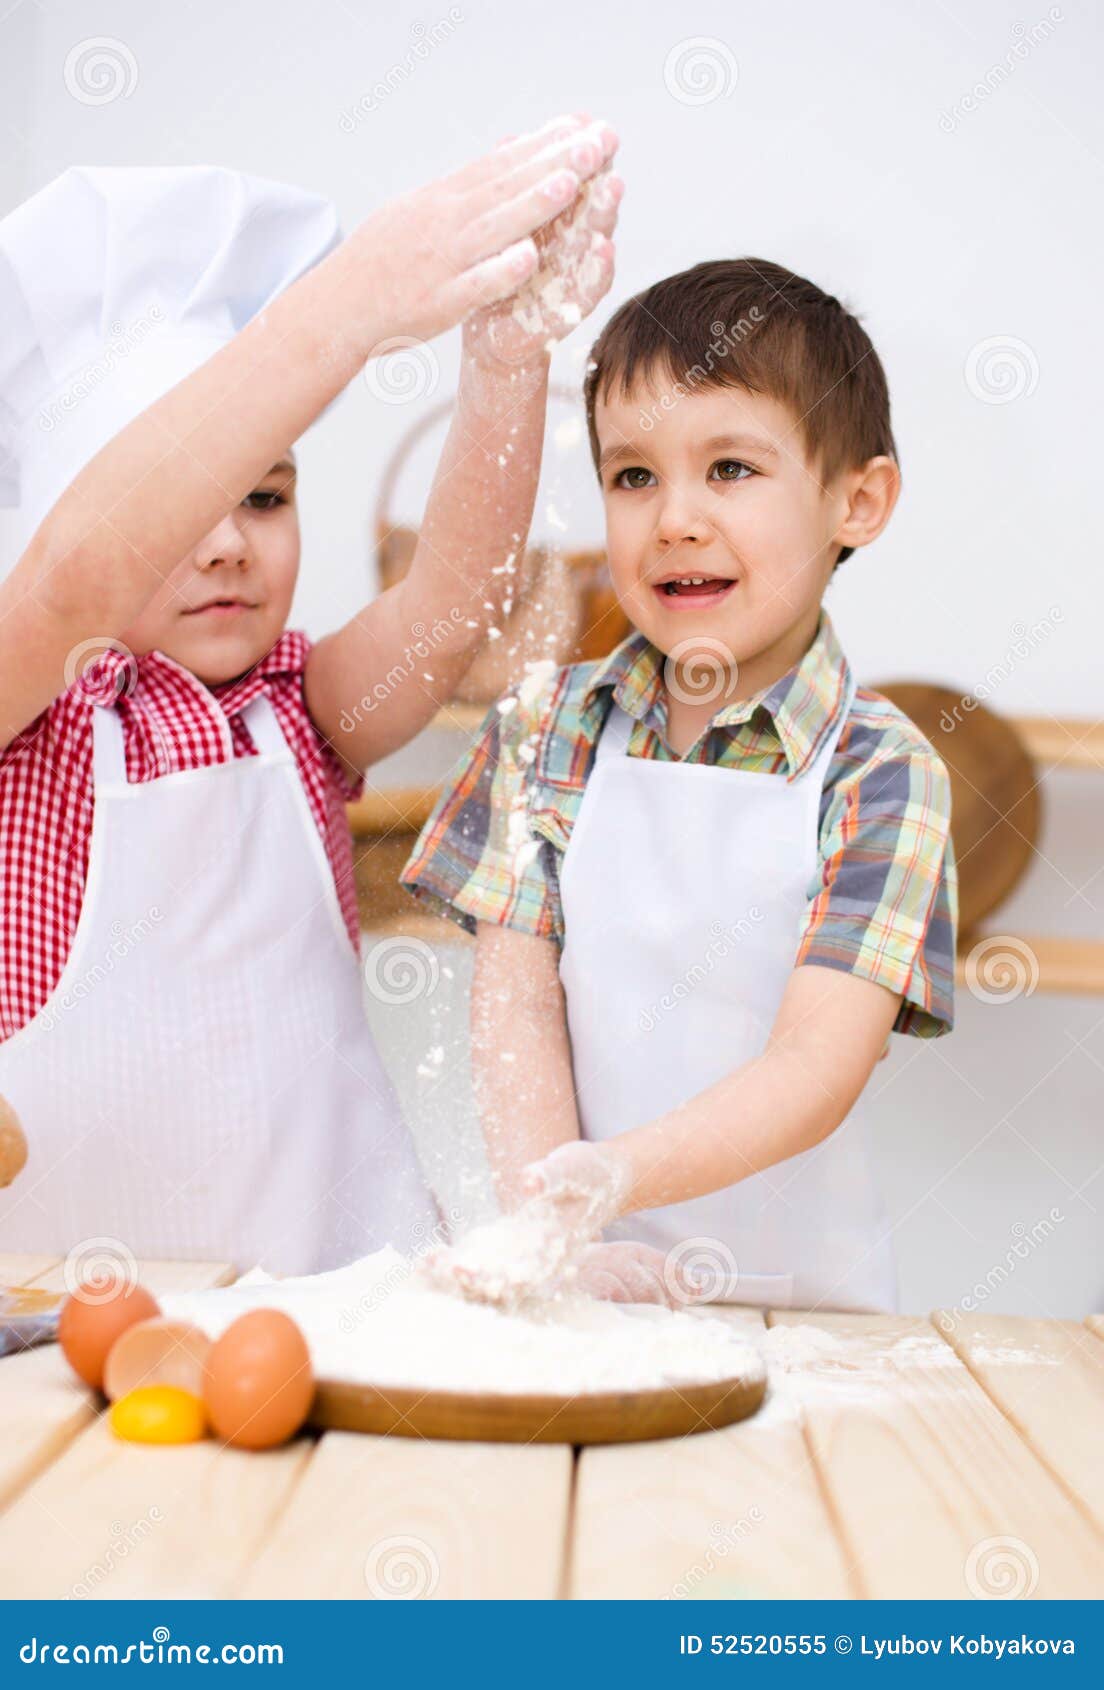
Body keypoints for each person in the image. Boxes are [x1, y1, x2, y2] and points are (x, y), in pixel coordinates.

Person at [0, 119, 622, 1273]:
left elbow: (450, 603)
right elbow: (67, 585)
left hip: (331, 1314)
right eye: (182, 512)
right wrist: (344, 311)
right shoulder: (26, 716)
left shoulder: (298, 707)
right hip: (51, 1346)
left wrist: (507, 361)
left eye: (269, 496)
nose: (230, 545)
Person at [403, 258, 956, 1313]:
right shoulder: (541, 732)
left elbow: (815, 1063)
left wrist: (612, 1177)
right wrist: (553, 1224)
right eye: (634, 476)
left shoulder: (882, 777)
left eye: (732, 470)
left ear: (859, 499)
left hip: (804, 1320)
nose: (675, 519)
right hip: (588, 1289)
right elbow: (516, 1006)